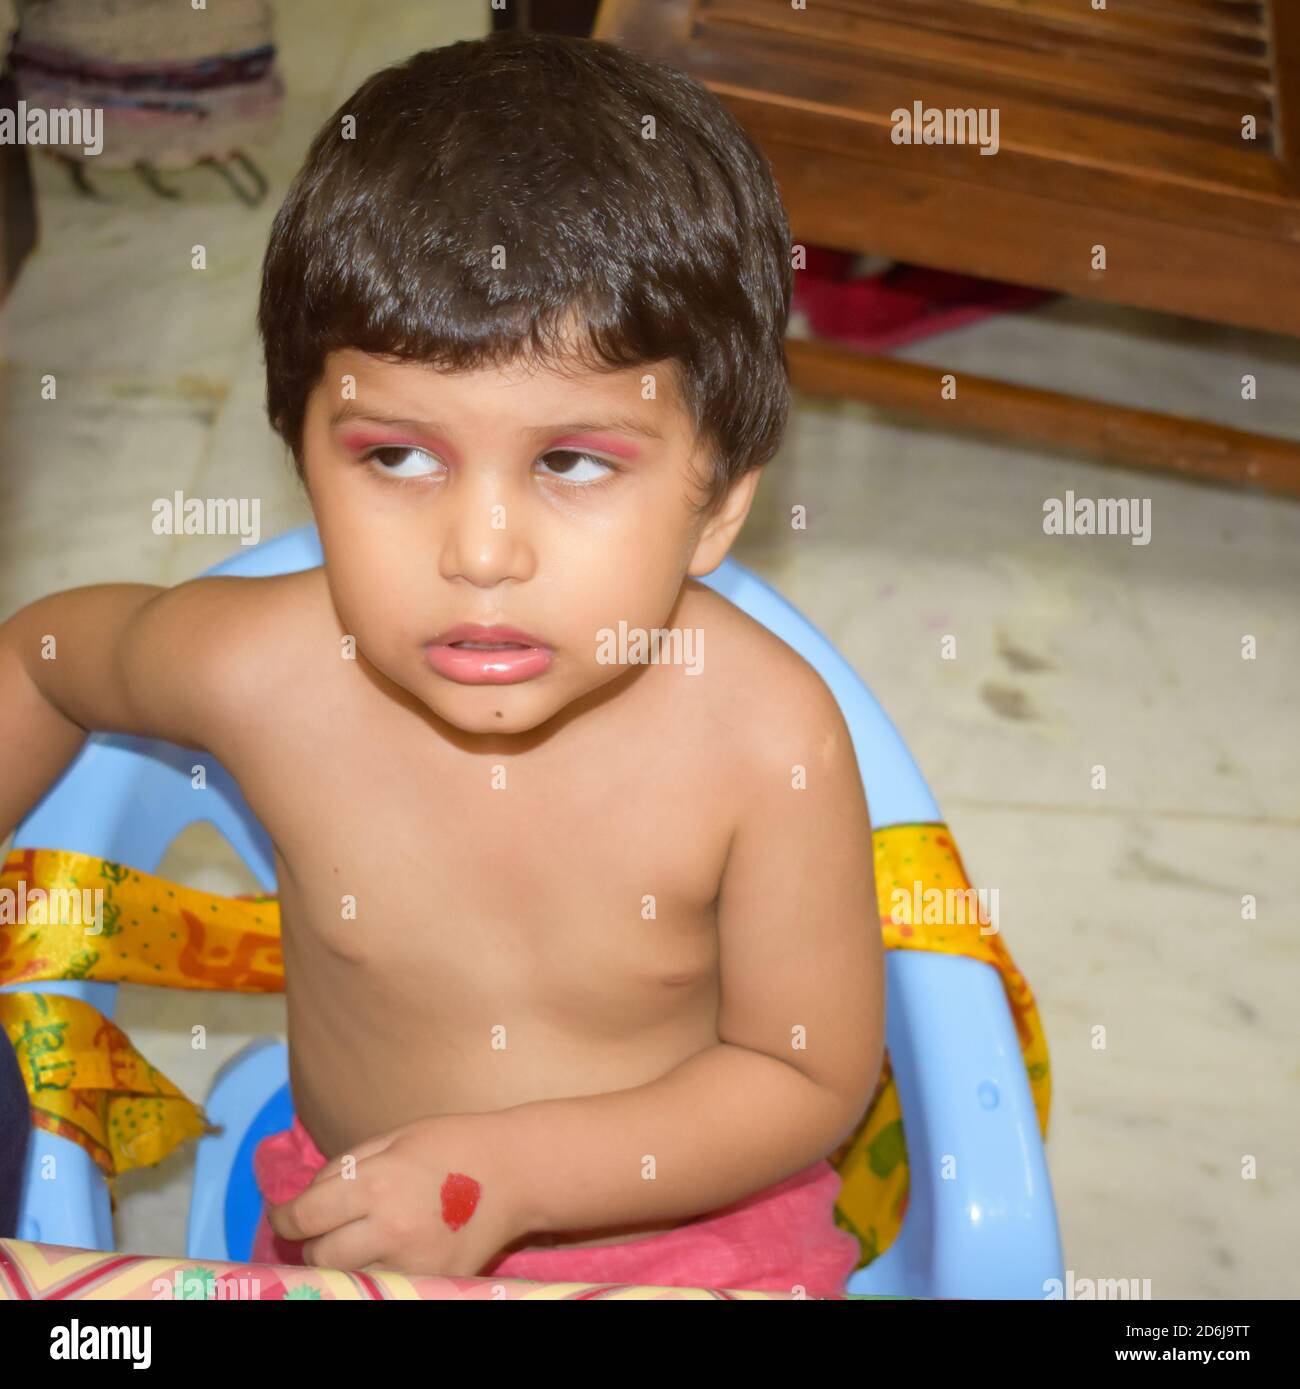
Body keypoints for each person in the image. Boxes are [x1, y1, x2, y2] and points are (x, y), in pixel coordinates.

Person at [0, 30, 883, 1295]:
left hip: (683, 1241)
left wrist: (509, 1175)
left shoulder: (760, 743)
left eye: (573, 461)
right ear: (301, 455)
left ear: (719, 502)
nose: (479, 551)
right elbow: (42, 659)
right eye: (397, 457)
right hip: (349, 1224)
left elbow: (805, 1074)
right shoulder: (256, 668)